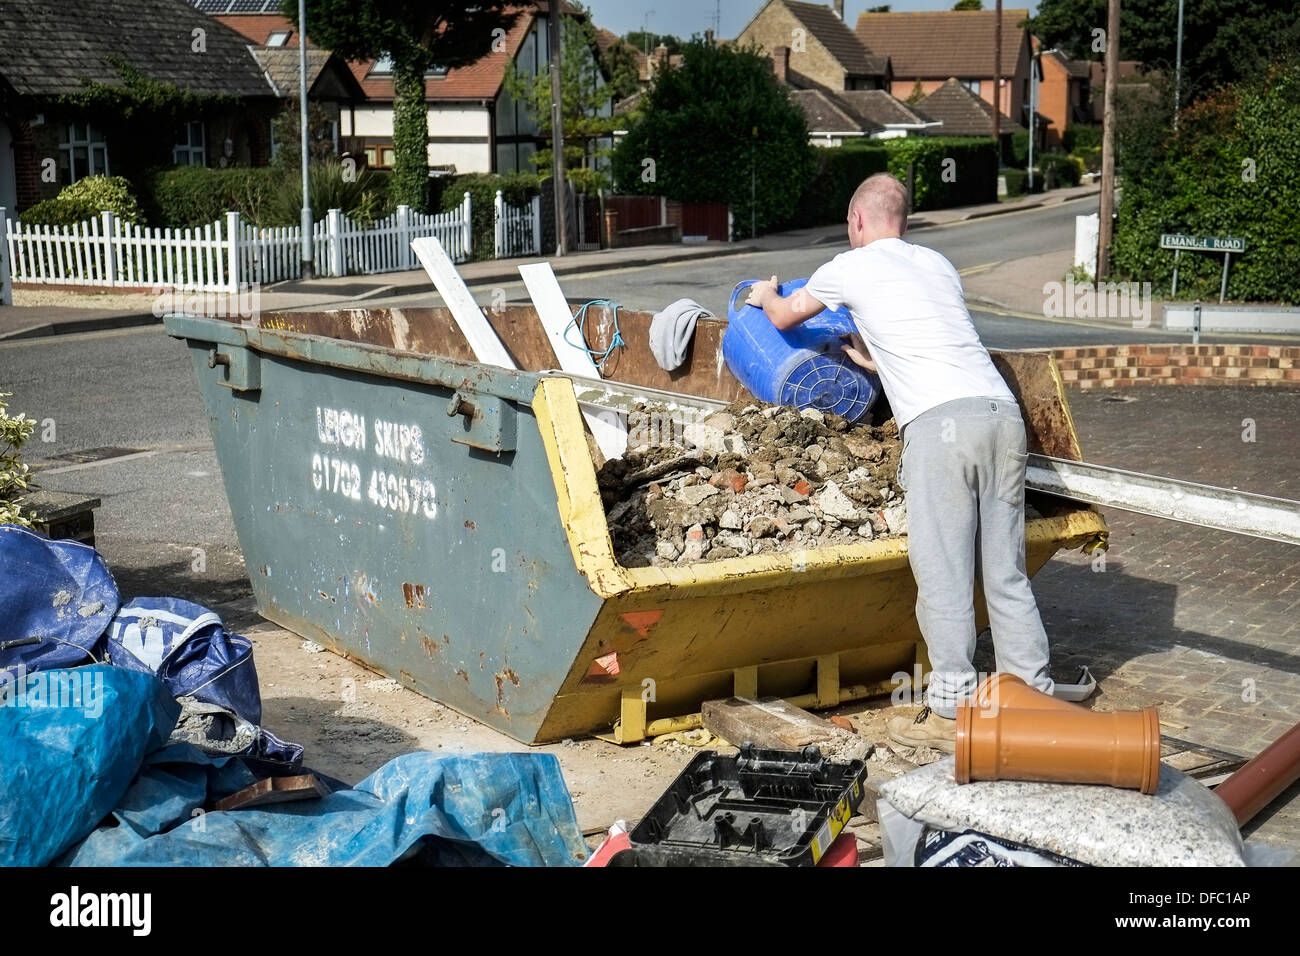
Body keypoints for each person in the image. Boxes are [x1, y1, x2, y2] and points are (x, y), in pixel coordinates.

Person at [745, 172, 1054, 753]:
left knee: (943, 573)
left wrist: (765, 295)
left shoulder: (847, 265)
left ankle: (951, 710)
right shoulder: (936, 264)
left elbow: (785, 317)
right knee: (1005, 571)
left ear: (857, 221)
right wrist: (864, 357)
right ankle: (1032, 698)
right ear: (903, 222)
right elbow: (920, 344)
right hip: (999, 415)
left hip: (942, 429)